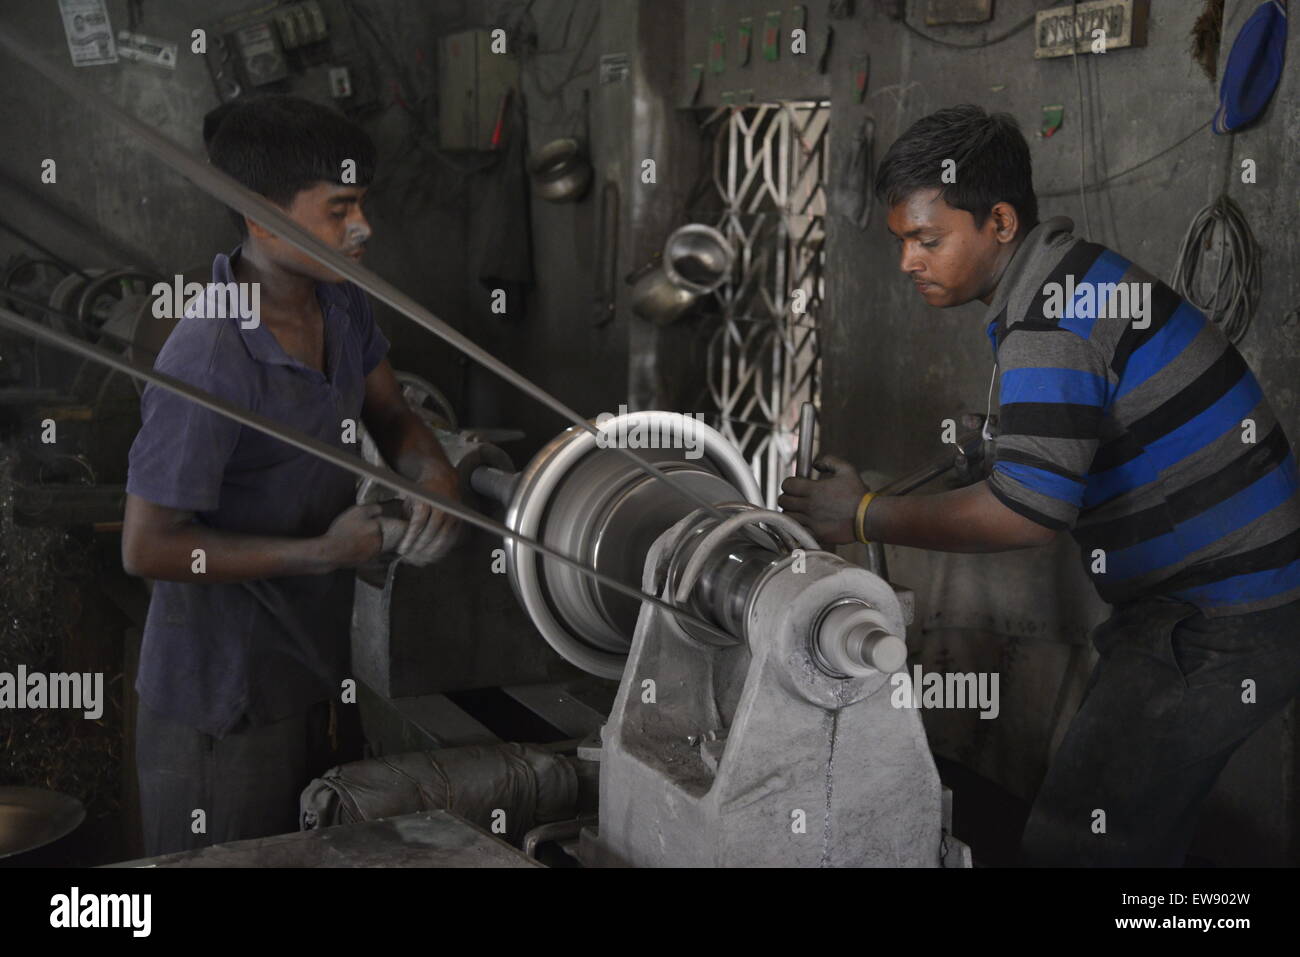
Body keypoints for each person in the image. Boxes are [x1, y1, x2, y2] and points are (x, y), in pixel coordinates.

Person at [779, 104, 1300, 867]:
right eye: (901, 242)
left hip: (1218, 619)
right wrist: (1000, 437)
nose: (908, 263)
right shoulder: (1073, 278)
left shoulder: (1049, 320)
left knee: (1079, 844)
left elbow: (1027, 513)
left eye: (928, 239)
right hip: (1239, 599)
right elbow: (1100, 426)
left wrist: (862, 513)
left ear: (998, 221)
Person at [121, 95, 462, 857]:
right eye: (339, 209)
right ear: (259, 216)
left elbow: (395, 415)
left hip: (306, 670)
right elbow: (147, 547)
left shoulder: (339, 304)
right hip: (222, 704)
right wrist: (321, 552)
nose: (362, 228)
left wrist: (432, 474)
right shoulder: (209, 354)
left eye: (362, 205)